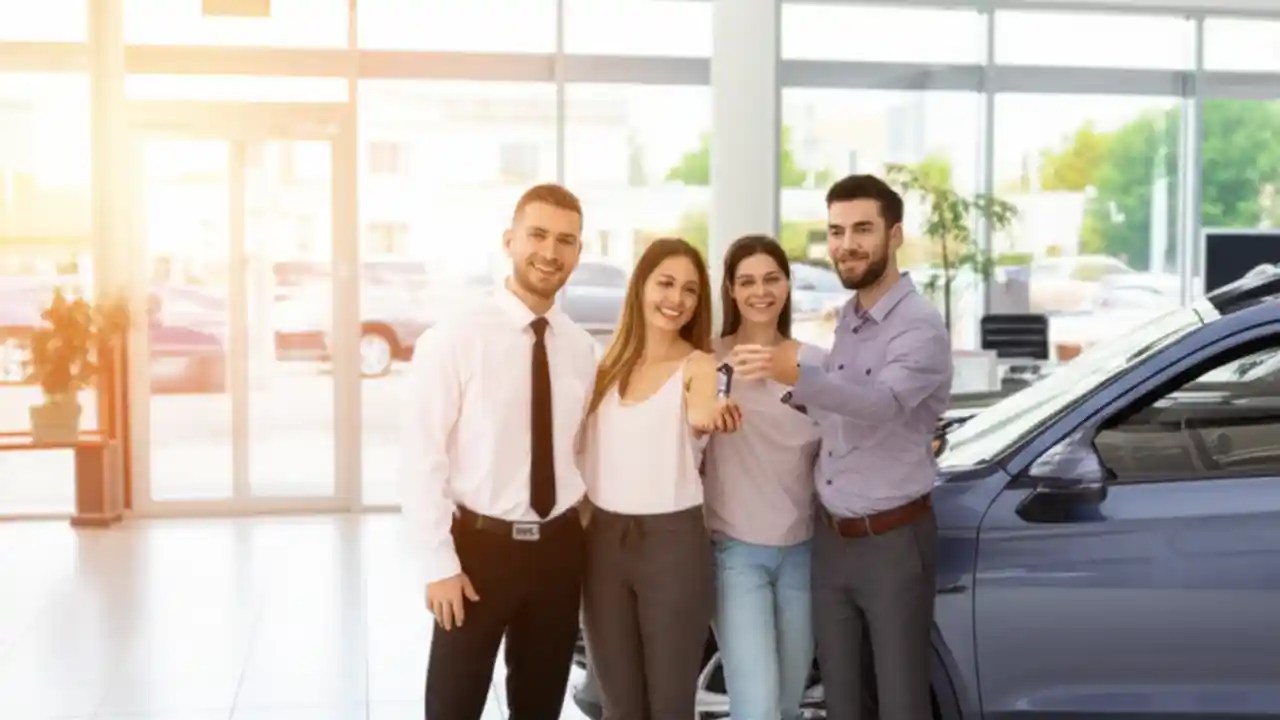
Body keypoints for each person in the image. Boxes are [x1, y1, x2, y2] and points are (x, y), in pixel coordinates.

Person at [730, 174, 953, 720]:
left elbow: (881, 403)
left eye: (861, 229)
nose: (846, 244)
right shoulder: (850, 320)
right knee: (844, 703)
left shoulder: (919, 325)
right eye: (835, 231)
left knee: (901, 702)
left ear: (894, 235)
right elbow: (838, 411)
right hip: (831, 543)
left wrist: (796, 372)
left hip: (894, 541)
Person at [399, 183, 600, 720]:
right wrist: (438, 564)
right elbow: (422, 459)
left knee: (539, 706)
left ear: (579, 253)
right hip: (478, 552)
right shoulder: (455, 338)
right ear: (510, 240)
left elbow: (582, 450)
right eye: (537, 235)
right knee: (453, 705)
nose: (550, 252)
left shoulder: (581, 350)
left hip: (558, 552)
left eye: (566, 241)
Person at [579, 237, 741, 720]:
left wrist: (713, 415)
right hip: (603, 544)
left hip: (672, 546)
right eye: (665, 284)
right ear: (640, 287)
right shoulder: (606, 366)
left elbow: (702, 408)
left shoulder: (699, 365)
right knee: (619, 706)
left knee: (670, 705)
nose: (676, 299)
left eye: (689, 290)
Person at [703, 235, 822, 720]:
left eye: (772, 278)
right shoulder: (708, 363)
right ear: (731, 290)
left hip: (803, 553)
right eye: (747, 281)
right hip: (735, 554)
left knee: (787, 706)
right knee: (757, 710)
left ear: (788, 285)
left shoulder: (815, 362)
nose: (760, 291)